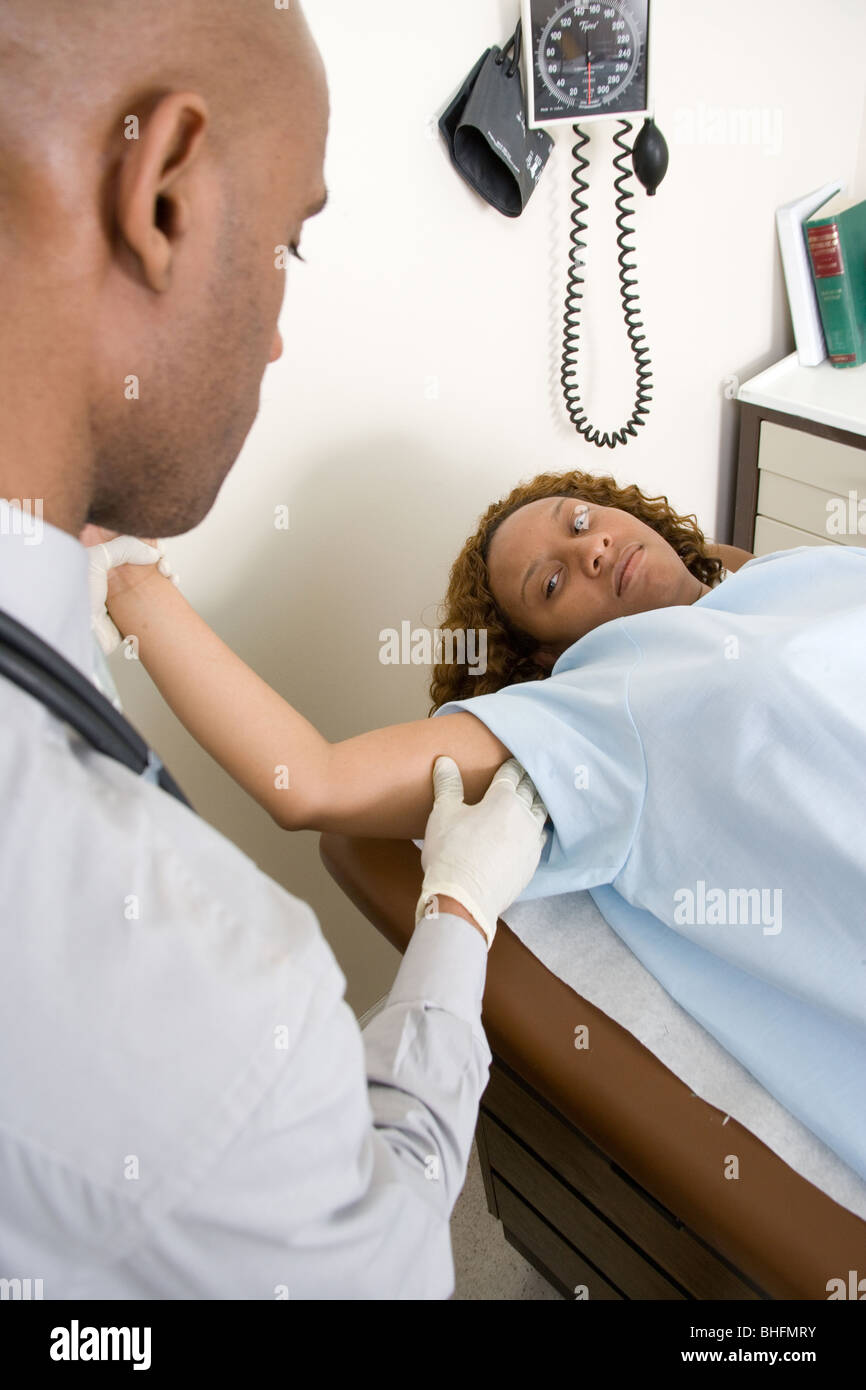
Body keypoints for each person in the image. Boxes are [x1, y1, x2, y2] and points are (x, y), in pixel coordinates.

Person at [0, 0, 549, 1300]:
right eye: (291, 244)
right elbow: (385, 1270)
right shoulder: (201, 990)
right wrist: (456, 915)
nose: (280, 330)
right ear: (166, 192)